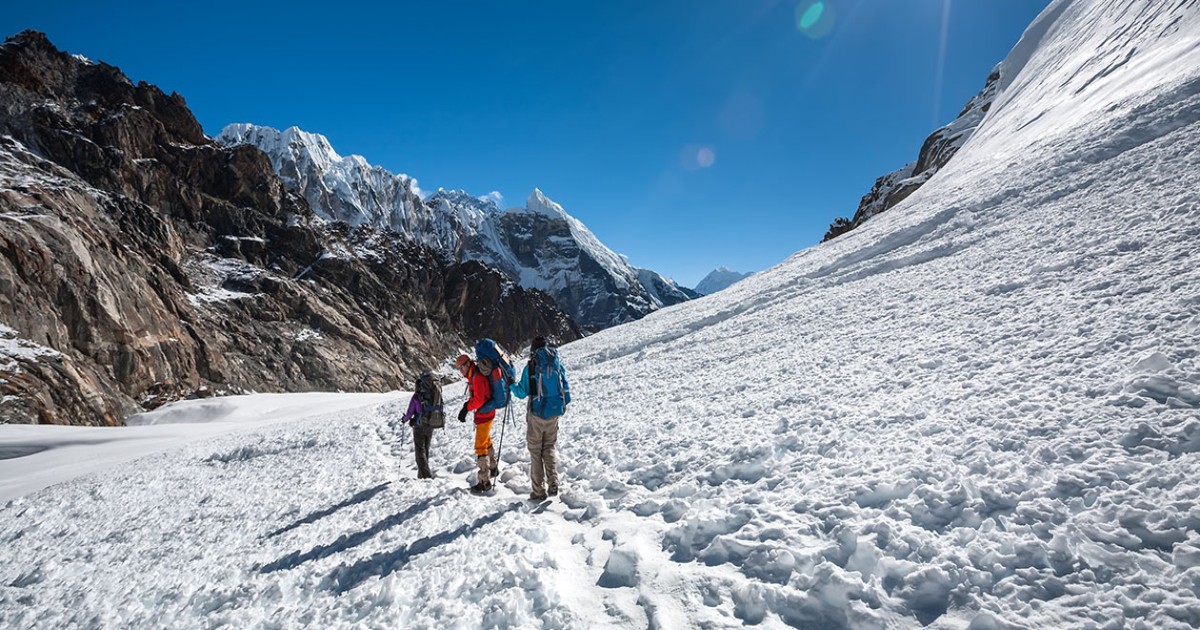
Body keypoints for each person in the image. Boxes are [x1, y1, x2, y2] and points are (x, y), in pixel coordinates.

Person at [509, 336, 571, 500]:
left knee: (536, 452)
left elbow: (521, 392)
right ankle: (553, 482)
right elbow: (564, 388)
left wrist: (511, 384)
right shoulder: (557, 364)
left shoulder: (531, 366)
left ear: (533, 350)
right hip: (554, 413)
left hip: (536, 414)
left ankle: (538, 492)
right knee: (549, 447)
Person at [456, 354, 498, 492]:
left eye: (461, 367)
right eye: (458, 368)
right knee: (486, 440)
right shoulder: (474, 375)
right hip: (486, 413)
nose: (460, 370)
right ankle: (493, 467)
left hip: (484, 415)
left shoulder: (477, 377)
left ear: (468, 364)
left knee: (480, 447)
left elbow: (479, 400)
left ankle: (484, 481)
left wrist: (466, 407)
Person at [399, 373, 441, 479]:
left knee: (420, 451)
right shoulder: (432, 395)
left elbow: (409, 413)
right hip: (430, 424)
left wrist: (404, 420)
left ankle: (426, 476)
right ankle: (422, 474)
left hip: (419, 426)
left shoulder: (416, 397)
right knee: (425, 449)